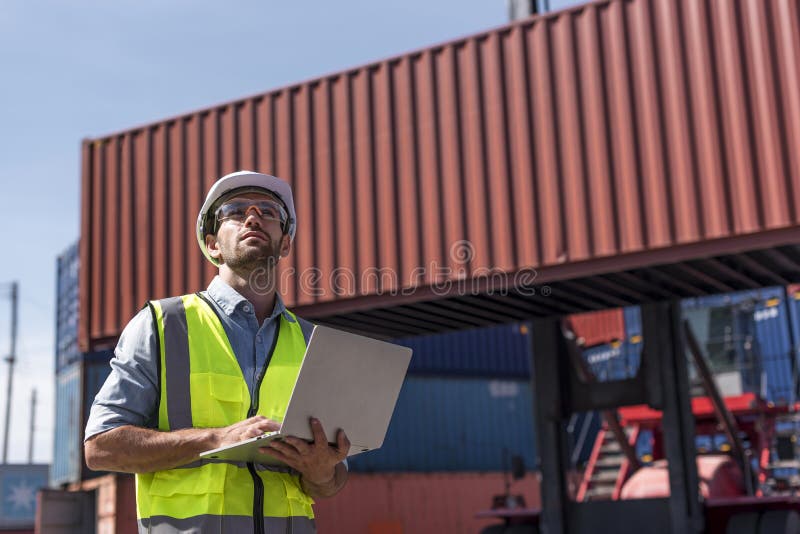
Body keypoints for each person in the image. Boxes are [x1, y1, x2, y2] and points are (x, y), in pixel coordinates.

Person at [84, 170, 349, 534]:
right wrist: (215, 439)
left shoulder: (311, 342)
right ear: (212, 244)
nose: (253, 216)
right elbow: (101, 447)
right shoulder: (163, 325)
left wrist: (322, 472)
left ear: (285, 244)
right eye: (236, 211)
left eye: (269, 212)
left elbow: (329, 484)